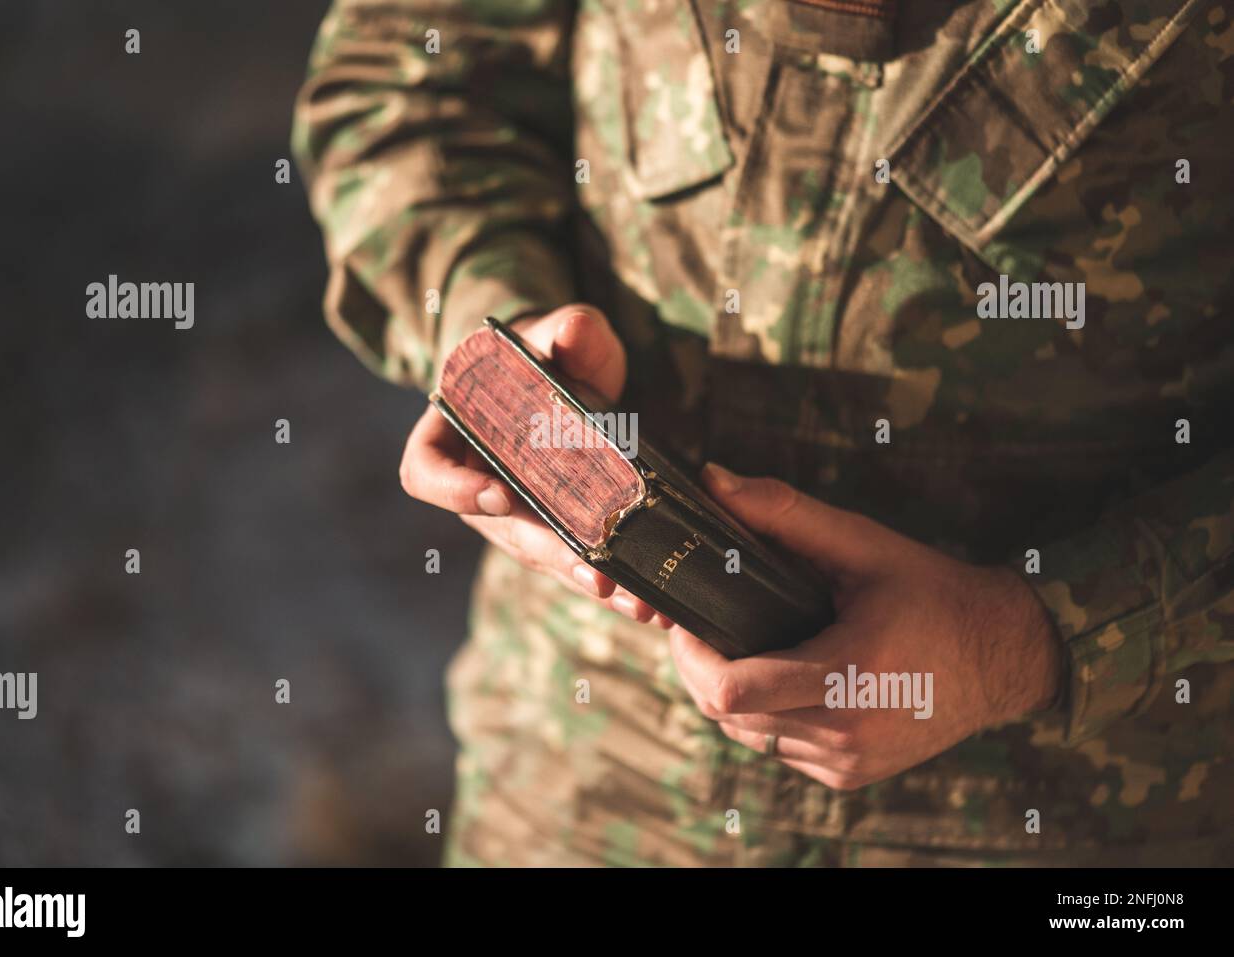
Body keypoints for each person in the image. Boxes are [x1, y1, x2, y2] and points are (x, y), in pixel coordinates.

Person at [292, 0, 1234, 865]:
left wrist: (1025, 642)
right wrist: (499, 350)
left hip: (1079, 826)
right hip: (583, 781)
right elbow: (409, 67)